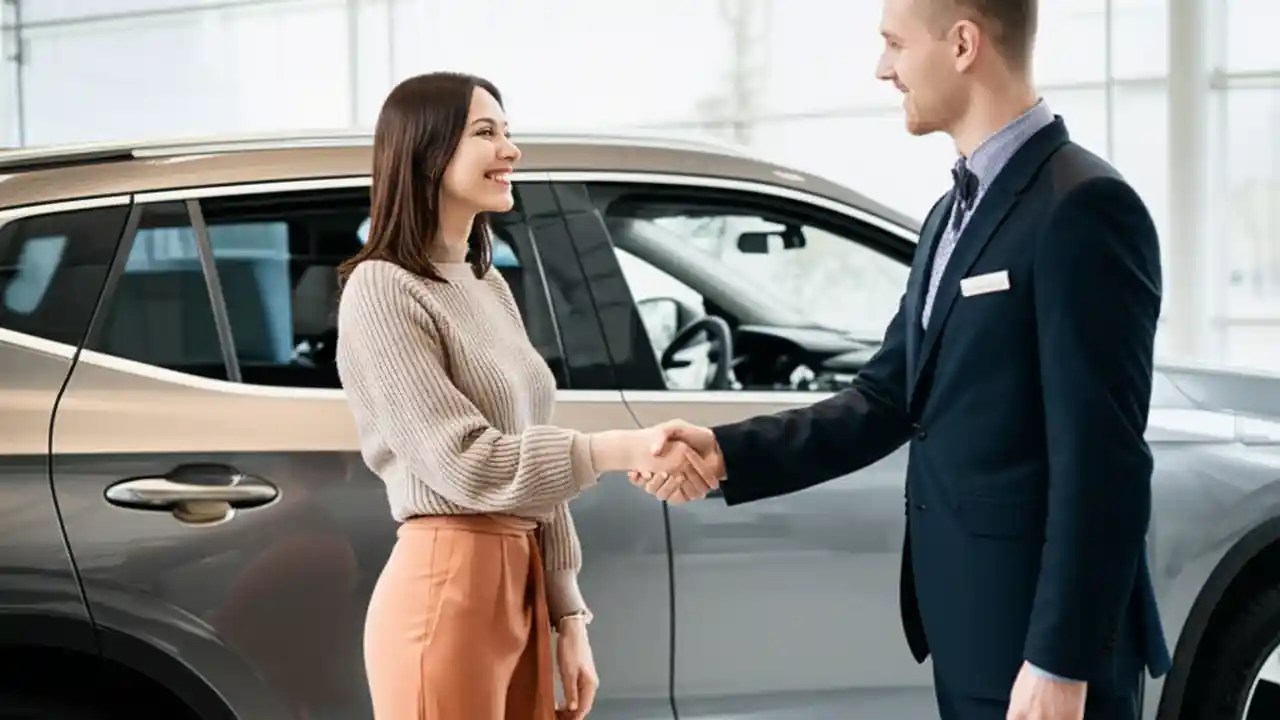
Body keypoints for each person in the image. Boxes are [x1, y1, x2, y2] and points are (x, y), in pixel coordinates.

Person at [629, 1, 1172, 718]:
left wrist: (1060, 662)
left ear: (963, 44)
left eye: (893, 44)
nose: (883, 68)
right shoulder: (952, 215)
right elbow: (887, 398)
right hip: (974, 629)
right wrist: (725, 452)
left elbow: (1104, 464)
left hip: (1040, 657)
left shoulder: (1085, 208)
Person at [334, 71, 716, 720]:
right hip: (448, 587)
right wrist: (621, 447)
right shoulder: (382, 289)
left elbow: (531, 458)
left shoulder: (487, 285)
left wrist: (569, 618)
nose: (511, 151)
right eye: (487, 133)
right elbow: (467, 462)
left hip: (520, 587)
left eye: (508, 133)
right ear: (426, 153)